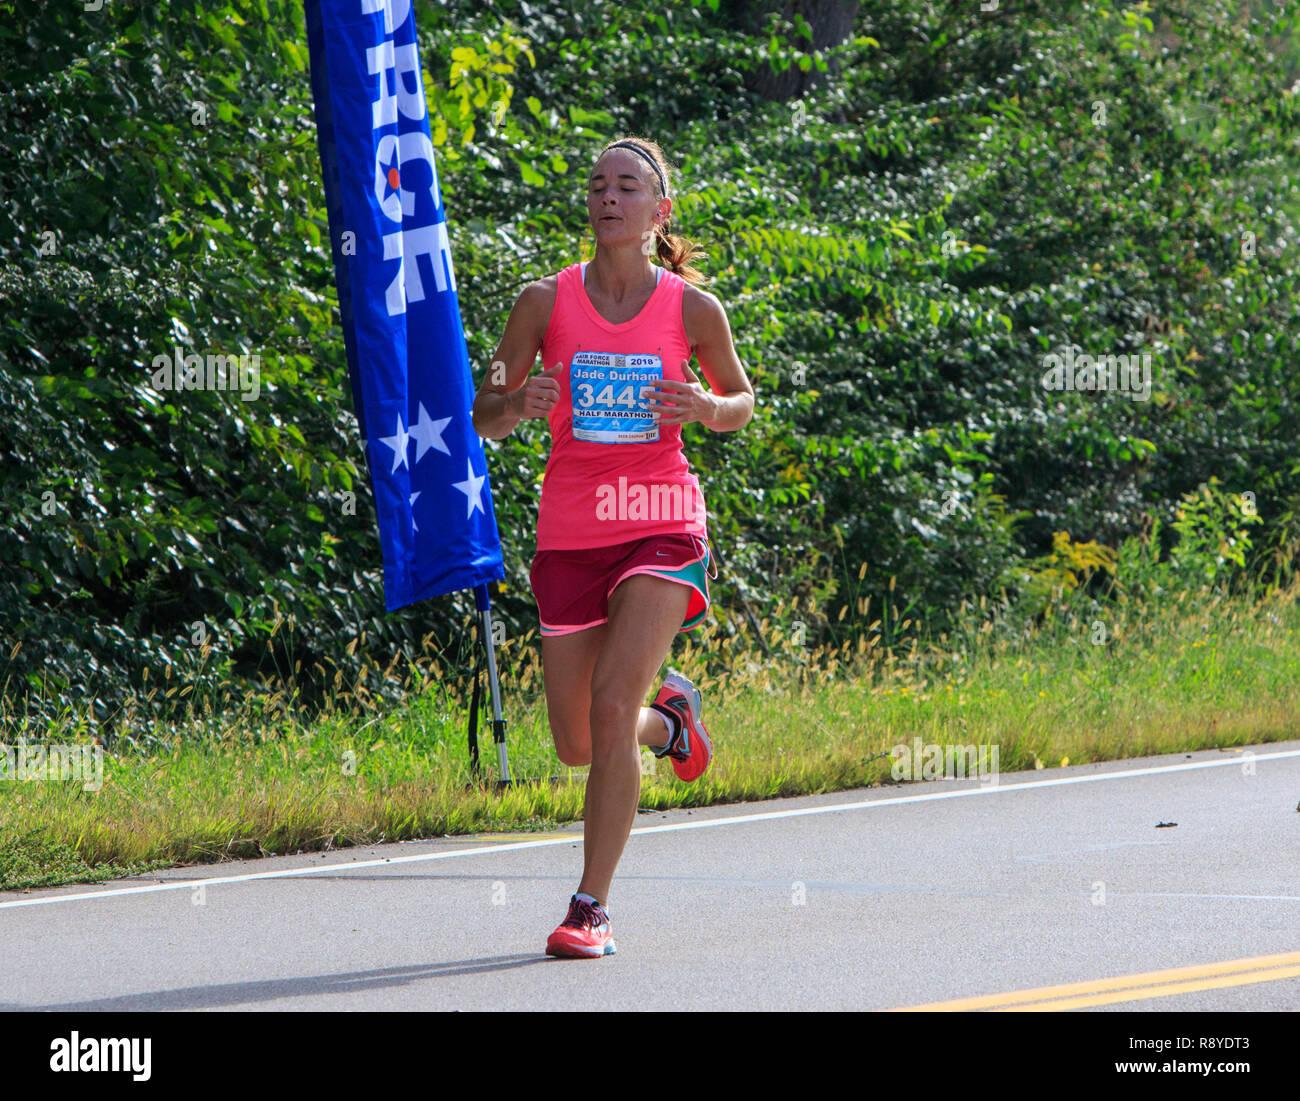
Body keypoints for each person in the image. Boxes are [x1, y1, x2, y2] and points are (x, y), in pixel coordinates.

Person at [472, 136, 754, 958]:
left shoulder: (694, 311)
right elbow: (482, 409)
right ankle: (669, 724)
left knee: (604, 702)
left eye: (626, 187)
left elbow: (743, 398)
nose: (607, 197)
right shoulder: (542, 302)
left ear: (657, 211)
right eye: (597, 185)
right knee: (578, 742)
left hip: (662, 517)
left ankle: (589, 906)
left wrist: (704, 405)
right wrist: (517, 400)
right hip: (570, 530)